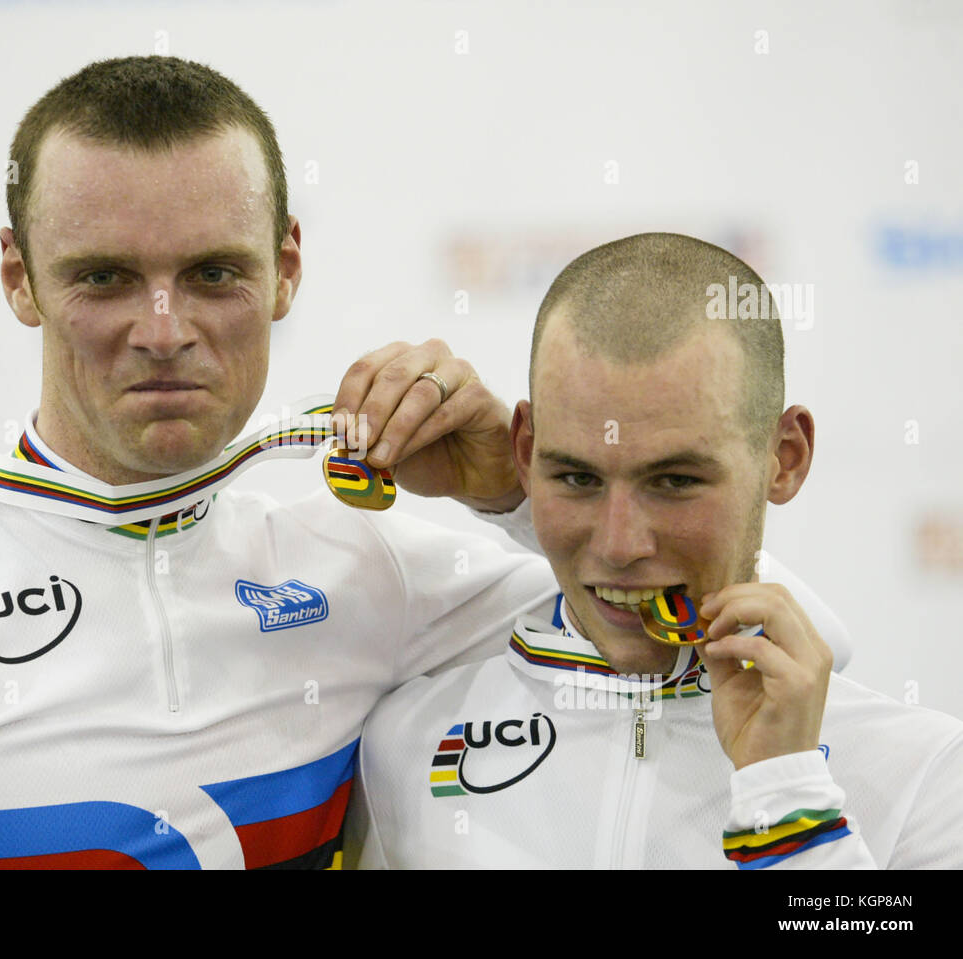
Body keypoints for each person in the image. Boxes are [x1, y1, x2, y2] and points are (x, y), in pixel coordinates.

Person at [0, 61, 844, 871]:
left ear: (286, 268)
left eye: (216, 273)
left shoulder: (369, 574)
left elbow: (745, 633)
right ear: (18, 278)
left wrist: (503, 483)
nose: (167, 326)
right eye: (103, 277)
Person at [347, 232, 963, 869]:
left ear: (785, 459)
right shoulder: (405, 745)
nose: (619, 546)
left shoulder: (928, 775)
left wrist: (789, 799)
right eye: (578, 478)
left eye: (675, 482)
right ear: (524, 453)